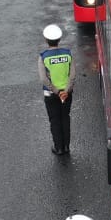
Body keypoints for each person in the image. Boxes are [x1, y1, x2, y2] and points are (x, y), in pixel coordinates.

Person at [40, 24, 74, 156]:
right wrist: (65, 91)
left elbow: (44, 79)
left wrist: (56, 91)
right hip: (67, 93)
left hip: (51, 94)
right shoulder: (68, 54)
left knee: (55, 120)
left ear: (46, 39)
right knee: (65, 118)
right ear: (59, 39)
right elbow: (72, 75)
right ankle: (66, 147)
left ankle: (58, 148)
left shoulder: (43, 57)